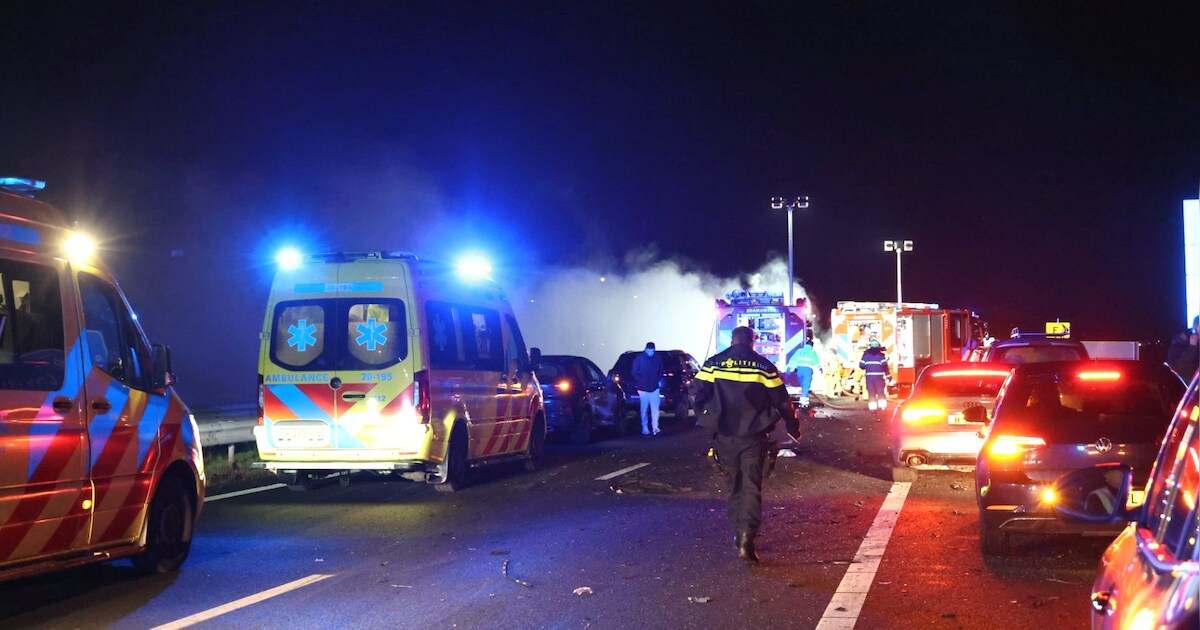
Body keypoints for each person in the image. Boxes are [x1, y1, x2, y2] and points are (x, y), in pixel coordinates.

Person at [691, 326, 800, 564]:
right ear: (753, 342)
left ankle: (737, 531)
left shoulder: (714, 364)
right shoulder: (764, 367)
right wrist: (793, 427)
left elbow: (695, 393)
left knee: (733, 484)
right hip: (754, 436)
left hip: (724, 436)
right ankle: (746, 538)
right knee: (751, 486)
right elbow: (782, 401)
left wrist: (709, 417)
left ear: (732, 340)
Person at [632, 341, 664, 436]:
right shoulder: (640, 358)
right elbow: (634, 371)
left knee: (655, 409)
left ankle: (655, 427)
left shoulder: (657, 358)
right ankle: (645, 428)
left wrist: (656, 379)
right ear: (646, 349)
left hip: (653, 387)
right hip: (643, 388)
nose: (650, 352)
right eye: (649, 351)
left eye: (652, 351)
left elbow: (660, 370)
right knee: (644, 410)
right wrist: (640, 380)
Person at [785, 339, 822, 407]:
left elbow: (793, 359)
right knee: (806, 386)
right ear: (812, 345)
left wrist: (788, 369)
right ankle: (803, 404)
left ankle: (804, 402)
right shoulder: (812, 351)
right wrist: (820, 368)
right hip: (807, 370)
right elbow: (816, 361)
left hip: (799, 370)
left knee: (802, 385)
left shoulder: (799, 351)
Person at [859, 338, 891, 416]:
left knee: (871, 393)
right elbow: (885, 367)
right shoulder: (881, 356)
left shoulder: (865, 355)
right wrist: (889, 377)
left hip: (869, 378)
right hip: (879, 378)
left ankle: (873, 409)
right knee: (881, 392)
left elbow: (861, 366)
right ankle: (882, 407)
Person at [1166, 315, 1199, 380]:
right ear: (1196, 326)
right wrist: (1192, 347)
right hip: (1188, 385)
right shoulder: (1182, 341)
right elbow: (1177, 367)